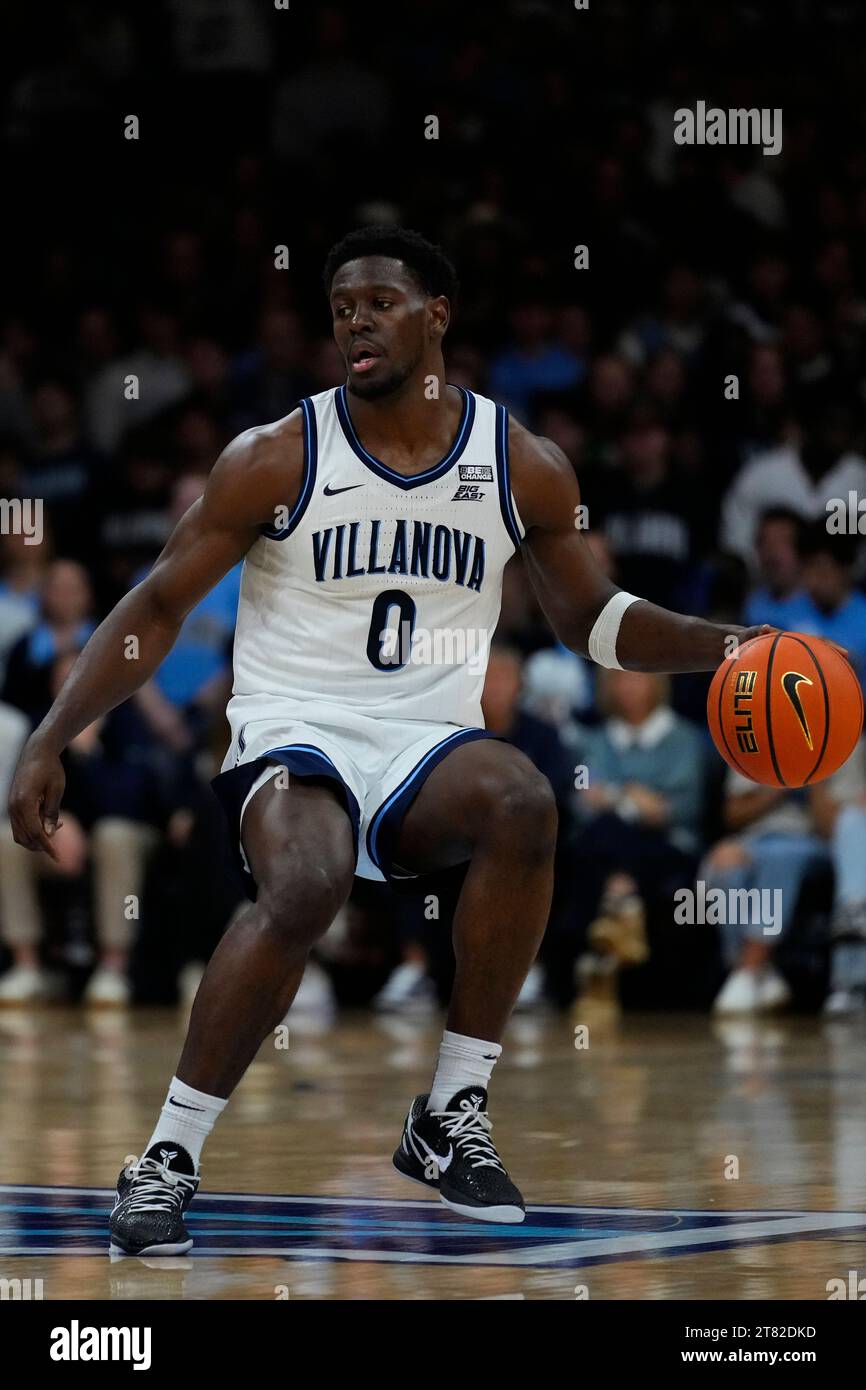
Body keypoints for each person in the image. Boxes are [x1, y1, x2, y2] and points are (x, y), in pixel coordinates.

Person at [7, 226, 770, 1252]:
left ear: (436, 316)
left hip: (423, 743)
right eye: (340, 310)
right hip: (292, 732)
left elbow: (592, 621)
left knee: (523, 798)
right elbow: (155, 604)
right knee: (306, 881)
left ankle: (450, 1113)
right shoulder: (276, 454)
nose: (354, 322)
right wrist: (52, 733)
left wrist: (730, 648)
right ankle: (167, 1156)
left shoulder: (518, 461)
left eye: (377, 302)